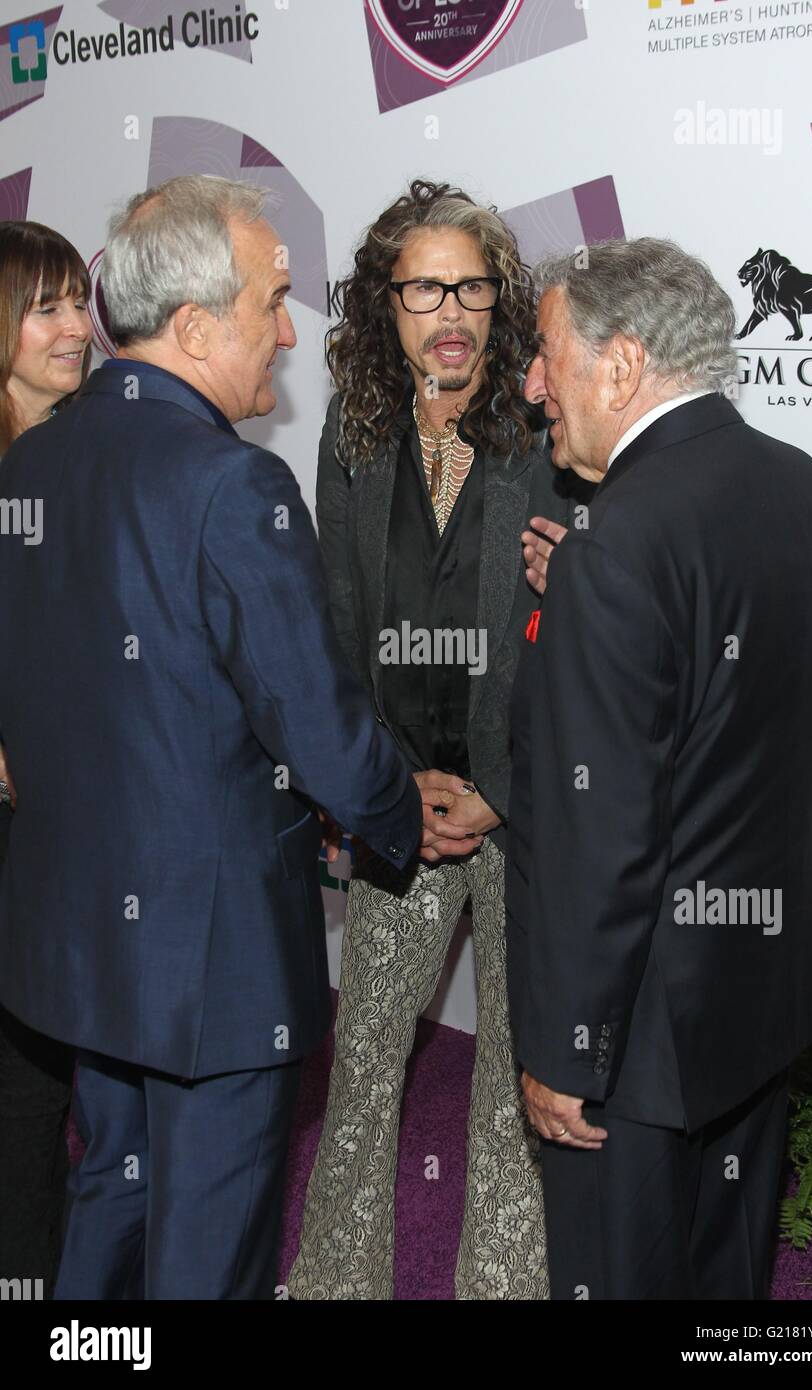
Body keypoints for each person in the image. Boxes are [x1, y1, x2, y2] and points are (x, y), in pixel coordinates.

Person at [0, 175, 422, 1300]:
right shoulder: (233, 484)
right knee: (207, 1249)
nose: (290, 332)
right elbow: (319, 727)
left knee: (112, 1203)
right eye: (273, 301)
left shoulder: (32, 465)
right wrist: (399, 814)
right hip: (213, 963)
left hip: (85, 942)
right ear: (192, 326)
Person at [506, 237, 812, 1300]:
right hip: (753, 999)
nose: (530, 385)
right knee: (725, 1286)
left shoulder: (614, 545)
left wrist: (569, 1048)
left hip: (638, 1041)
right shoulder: (801, 485)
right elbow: (726, 712)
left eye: (546, 354)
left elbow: (602, 838)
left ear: (616, 367)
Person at [288, 179, 589, 1301]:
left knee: (514, 1078)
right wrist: (381, 784)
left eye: (470, 283)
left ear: (497, 300)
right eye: (423, 286)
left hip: (521, 813)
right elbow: (332, 618)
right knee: (361, 1057)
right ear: (387, 304)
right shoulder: (353, 430)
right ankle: (334, 1285)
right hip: (398, 803)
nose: (449, 308)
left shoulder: (545, 432)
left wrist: (502, 794)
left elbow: (579, 647)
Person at [0, 220, 91, 1297]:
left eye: (77, 301)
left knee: (60, 1078)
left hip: (75, 811)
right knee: (26, 1083)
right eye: (44, 306)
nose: (74, 327)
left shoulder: (89, 450)